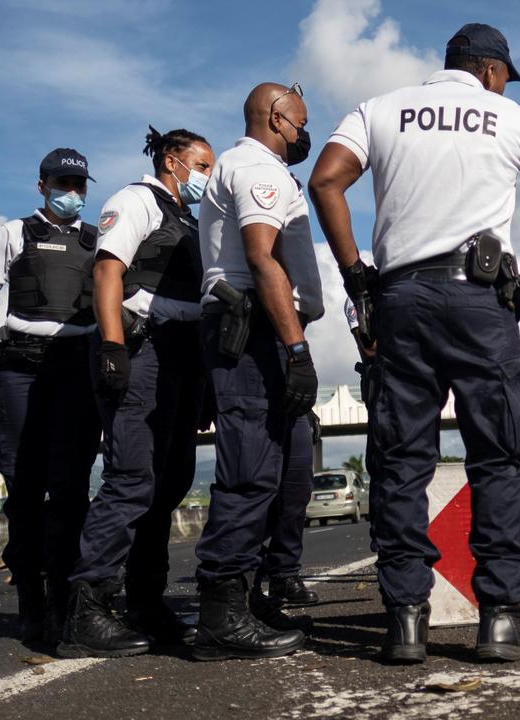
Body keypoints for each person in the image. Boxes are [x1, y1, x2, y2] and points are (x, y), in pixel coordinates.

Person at [309, 22, 520, 664]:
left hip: (400, 301)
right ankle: (499, 617)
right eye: (503, 77)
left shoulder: (378, 110)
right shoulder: (511, 118)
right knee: (498, 455)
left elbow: (326, 181)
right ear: (491, 70)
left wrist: (356, 273)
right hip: (478, 302)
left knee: (400, 461)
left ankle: (405, 623)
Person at [60, 127, 214, 658]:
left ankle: (146, 602)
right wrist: (112, 346)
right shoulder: (135, 200)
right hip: (141, 349)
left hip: (182, 357)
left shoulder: (189, 218)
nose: (208, 176)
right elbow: (108, 271)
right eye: (202, 165)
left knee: (168, 484)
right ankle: (86, 609)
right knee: (131, 478)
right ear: (172, 161)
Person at [189, 82, 325, 661]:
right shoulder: (256, 168)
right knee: (248, 471)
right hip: (252, 331)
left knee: (278, 471)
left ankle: (243, 598)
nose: (305, 133)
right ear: (275, 117)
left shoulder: (266, 170)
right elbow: (260, 256)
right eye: (301, 122)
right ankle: (220, 616)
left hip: (264, 328)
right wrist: (295, 350)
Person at [0, 148, 102, 645]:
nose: (71, 192)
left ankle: (64, 599)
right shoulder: (14, 233)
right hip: (22, 369)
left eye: (79, 185)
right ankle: (30, 600)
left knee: (71, 489)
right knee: (24, 488)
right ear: (42, 186)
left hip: (77, 367)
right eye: (62, 183)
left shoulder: (97, 239)